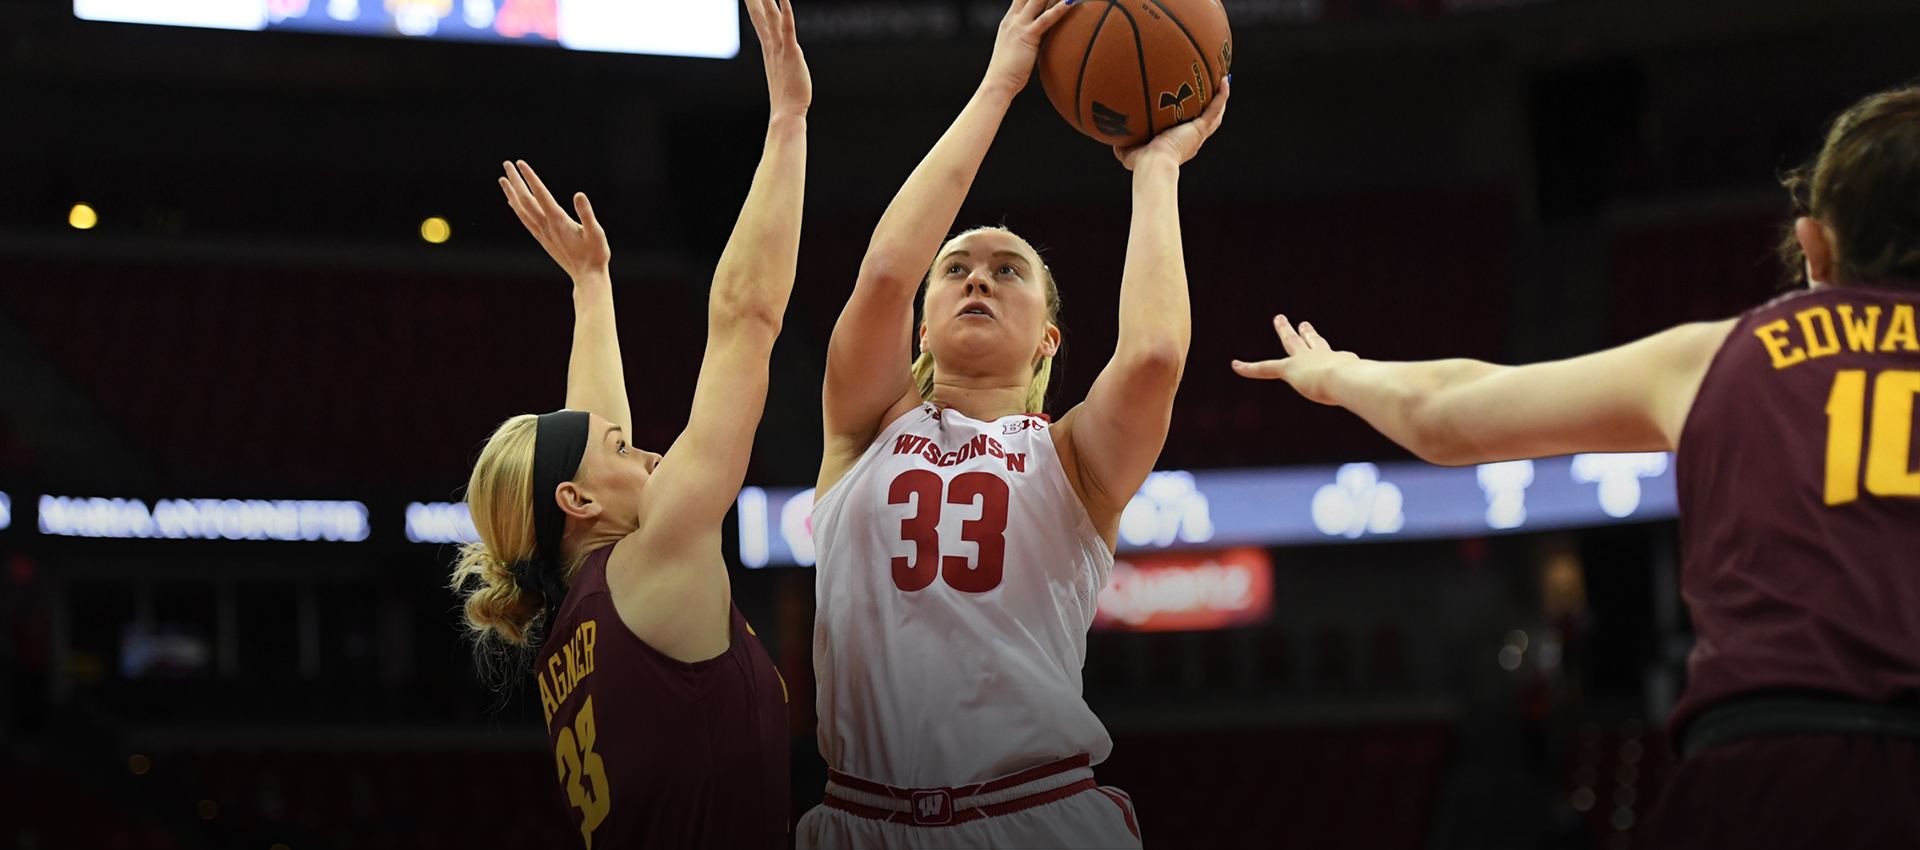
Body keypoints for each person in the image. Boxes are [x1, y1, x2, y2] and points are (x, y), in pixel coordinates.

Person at [1232, 85, 1920, 848]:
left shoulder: (1719, 356)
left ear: (1815, 248)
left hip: (1761, 774)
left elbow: (1447, 411)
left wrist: (1339, 376)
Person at [800, 0, 1229, 845]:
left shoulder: (1073, 461)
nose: (978, 280)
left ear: (1048, 340)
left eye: (1008, 270)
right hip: (860, 819)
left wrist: (1156, 169)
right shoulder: (861, 429)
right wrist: (1001, 80)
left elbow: (1151, 359)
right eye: (956, 268)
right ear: (921, 329)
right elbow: (888, 271)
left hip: (1036, 815)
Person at [447, 0, 810, 846]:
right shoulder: (657, 563)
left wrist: (592, 287)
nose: (643, 446)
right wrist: (788, 120)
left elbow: (591, 432)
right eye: (622, 448)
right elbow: (747, 316)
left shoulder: (573, 626)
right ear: (574, 500)